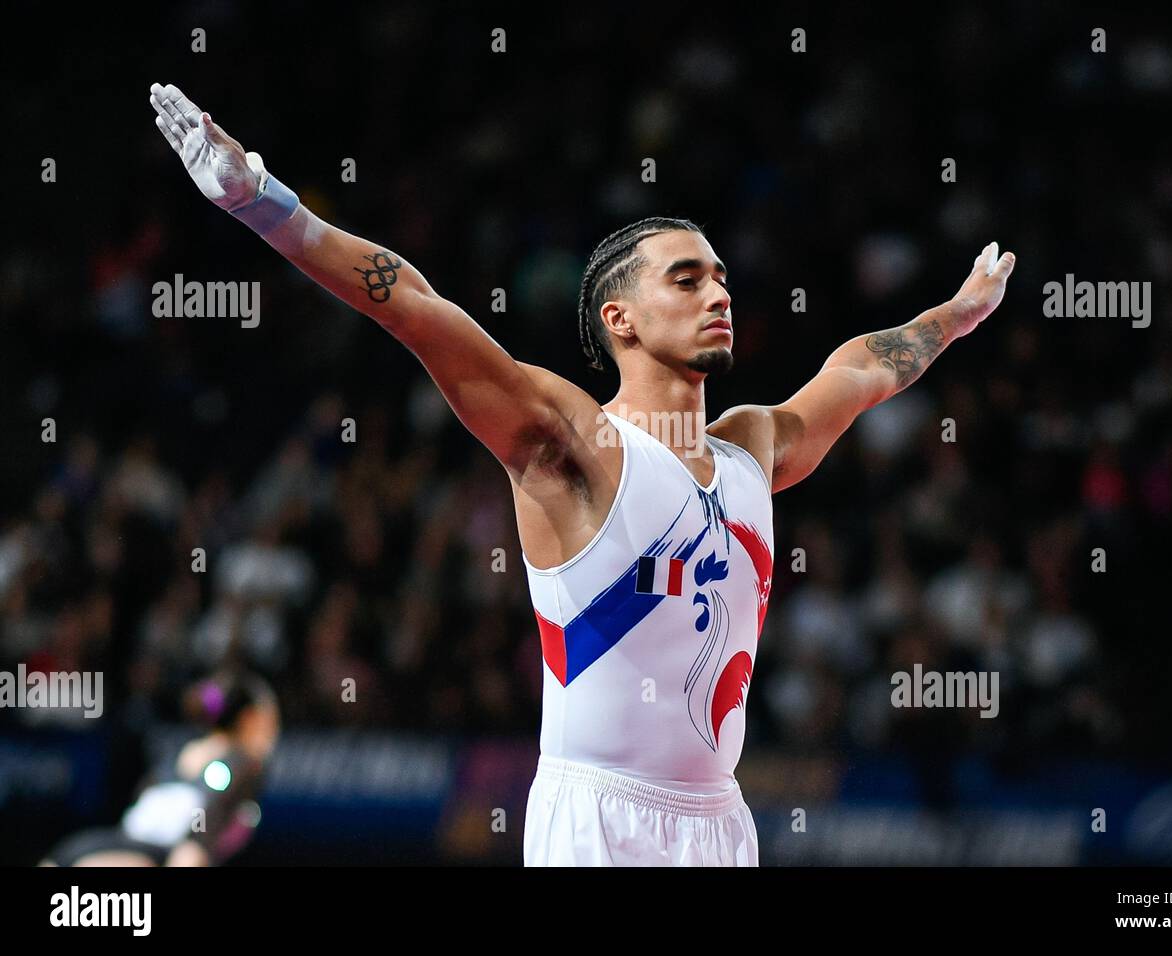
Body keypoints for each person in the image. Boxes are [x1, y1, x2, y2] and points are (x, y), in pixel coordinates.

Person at [147, 82, 1015, 866]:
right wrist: (264, 203)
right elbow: (415, 308)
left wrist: (955, 315)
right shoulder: (575, 445)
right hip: (599, 820)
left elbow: (863, 368)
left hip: (721, 824)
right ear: (621, 320)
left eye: (719, 276)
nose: (718, 294)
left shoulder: (753, 446)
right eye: (687, 279)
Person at [42, 671, 279, 867]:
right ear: (250, 719)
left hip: (108, 841)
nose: (273, 733)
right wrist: (193, 848)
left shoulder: (184, 750)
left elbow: (146, 796)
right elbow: (205, 815)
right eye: (270, 722)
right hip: (158, 854)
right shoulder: (243, 763)